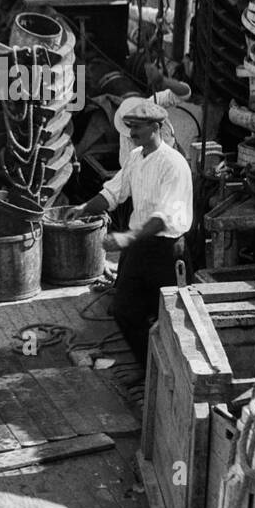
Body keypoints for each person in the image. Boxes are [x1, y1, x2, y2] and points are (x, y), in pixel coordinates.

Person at [64, 98, 193, 376]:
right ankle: (151, 369)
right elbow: (113, 192)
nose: (132, 134)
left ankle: (174, 375)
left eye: (138, 128)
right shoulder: (136, 158)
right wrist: (84, 207)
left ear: (158, 127)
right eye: (130, 127)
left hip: (166, 251)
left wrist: (126, 238)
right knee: (124, 310)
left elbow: (164, 218)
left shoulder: (174, 165)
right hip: (139, 249)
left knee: (169, 318)